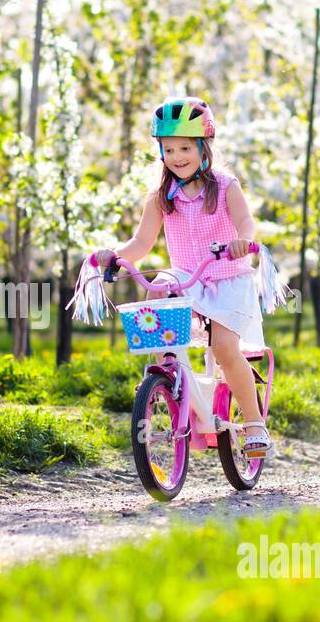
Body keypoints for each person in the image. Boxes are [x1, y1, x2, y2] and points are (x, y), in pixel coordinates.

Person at [93, 96, 273, 457]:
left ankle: (254, 423)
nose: (177, 156)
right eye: (169, 148)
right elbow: (142, 241)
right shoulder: (161, 196)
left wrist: (243, 241)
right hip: (189, 278)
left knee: (224, 348)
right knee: (158, 286)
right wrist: (115, 256)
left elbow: (245, 221)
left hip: (227, 278)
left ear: (204, 146)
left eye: (185, 147)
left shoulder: (224, 186)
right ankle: (164, 370)